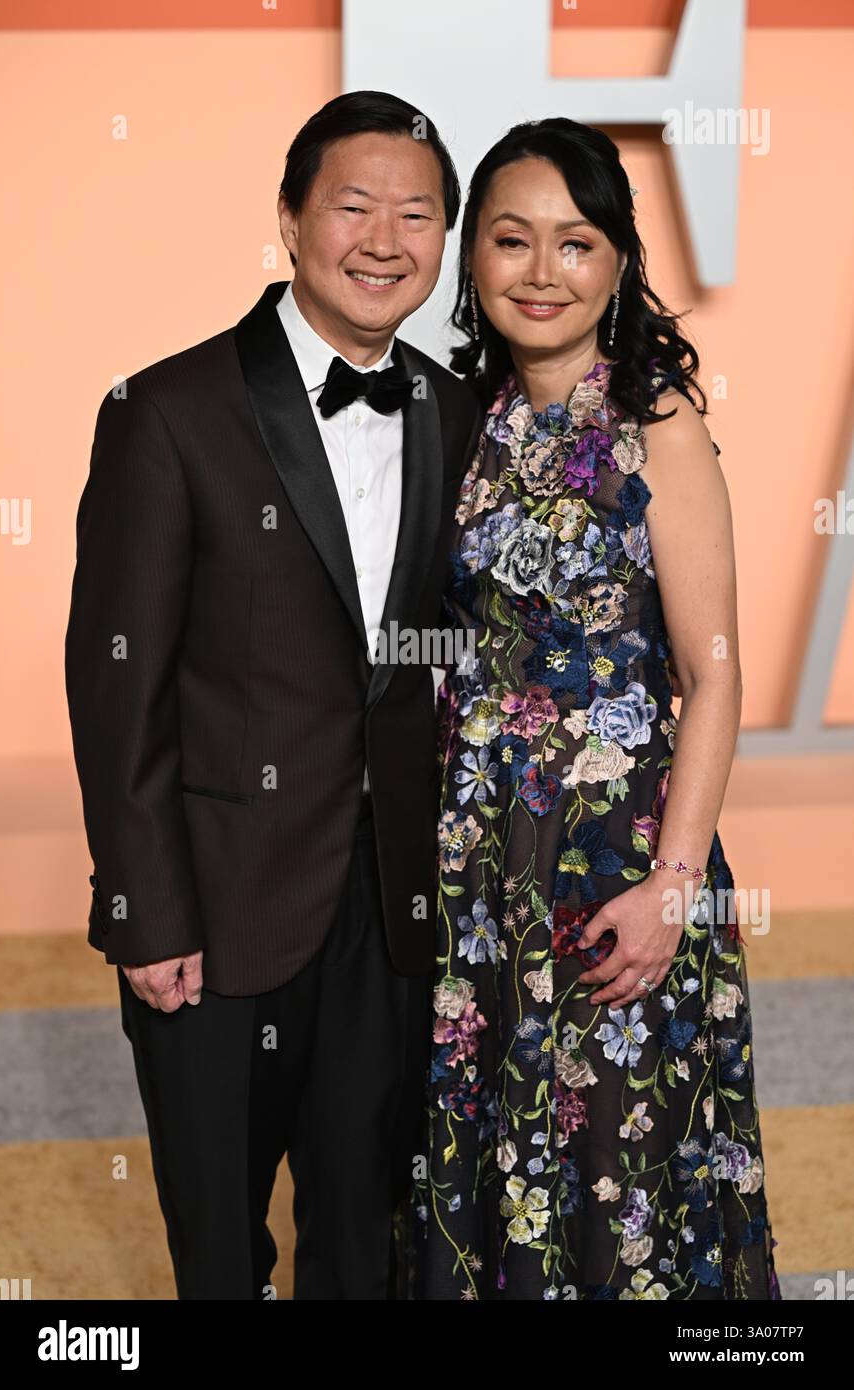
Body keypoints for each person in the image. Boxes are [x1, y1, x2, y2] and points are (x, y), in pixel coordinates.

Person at [64, 89, 482, 1300]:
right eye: (352, 205)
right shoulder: (167, 412)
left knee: (363, 1245)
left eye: (416, 215)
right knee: (219, 1260)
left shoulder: (452, 411)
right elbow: (115, 678)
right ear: (291, 219)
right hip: (215, 912)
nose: (384, 239)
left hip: (389, 915)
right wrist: (145, 907)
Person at [405, 117, 782, 1300]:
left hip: (616, 854)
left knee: (621, 1159)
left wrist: (671, 882)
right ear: (472, 262)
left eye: (574, 243)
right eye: (510, 240)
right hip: (474, 868)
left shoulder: (654, 420)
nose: (539, 271)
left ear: (617, 261)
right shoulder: (458, 417)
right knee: (487, 1157)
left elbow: (713, 670)